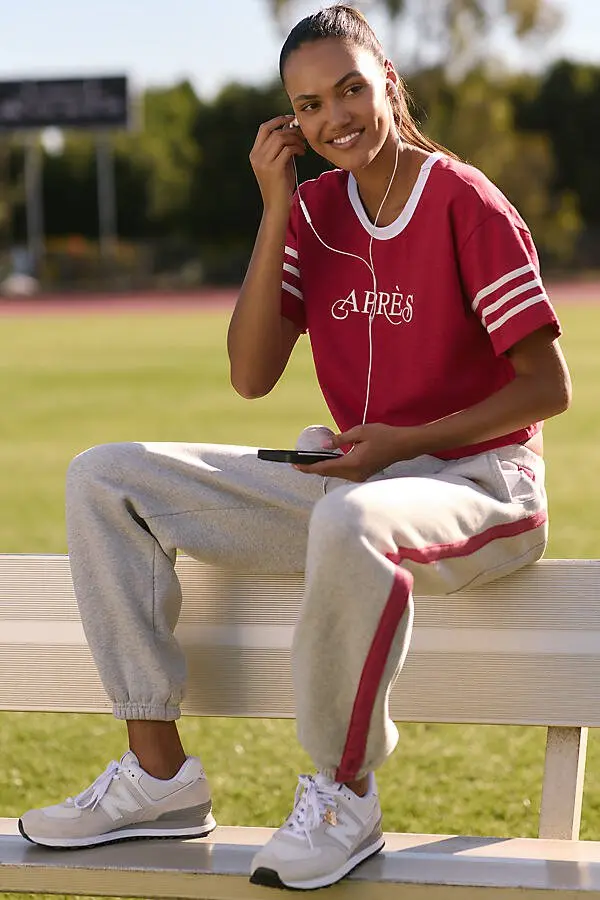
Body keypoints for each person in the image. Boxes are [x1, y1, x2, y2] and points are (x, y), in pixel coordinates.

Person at [19, 2, 571, 892]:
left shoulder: (464, 200)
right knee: (105, 478)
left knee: (352, 515)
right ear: (292, 122)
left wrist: (402, 443)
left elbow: (549, 388)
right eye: (310, 105)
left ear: (387, 81)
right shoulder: (311, 211)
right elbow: (250, 375)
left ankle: (343, 794)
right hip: (359, 481)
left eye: (351, 89)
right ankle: (159, 776)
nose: (335, 117)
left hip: (483, 485)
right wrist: (276, 206)